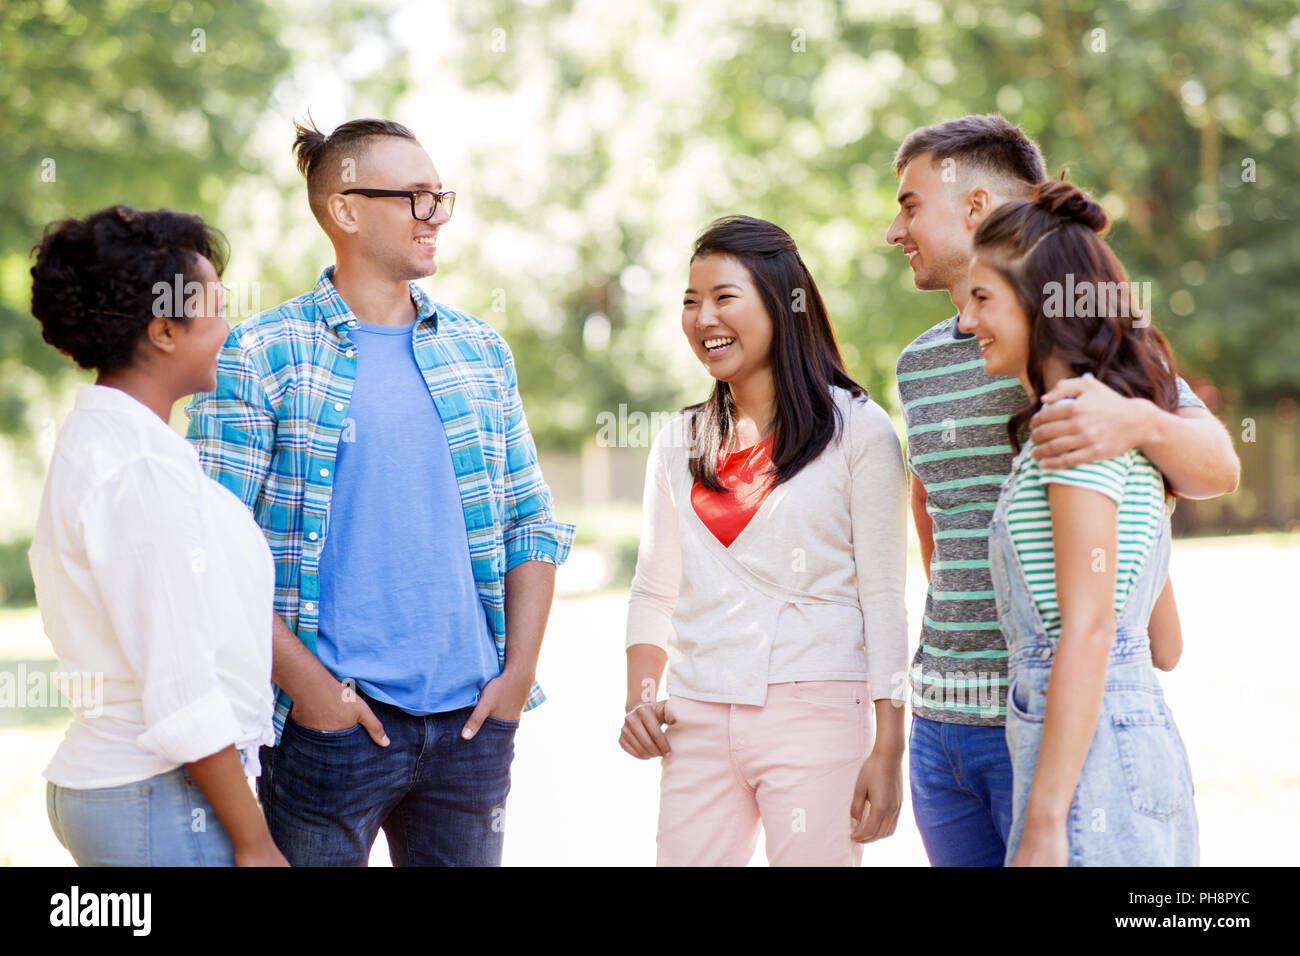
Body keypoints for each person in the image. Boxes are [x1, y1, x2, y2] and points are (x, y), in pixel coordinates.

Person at [185, 119, 574, 866]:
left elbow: (531, 521)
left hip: (470, 729)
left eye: (441, 196)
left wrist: (516, 677)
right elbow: (213, 554)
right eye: (416, 198)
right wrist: (314, 696)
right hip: (330, 733)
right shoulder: (261, 353)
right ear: (347, 209)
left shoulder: (481, 350)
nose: (438, 215)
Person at [887, 115, 1238, 866]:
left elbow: (1216, 468)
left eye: (910, 204)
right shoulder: (921, 368)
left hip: (1052, 724)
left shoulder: (1095, 374)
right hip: (946, 723)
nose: (895, 229)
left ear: (976, 206)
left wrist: (1137, 418)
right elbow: (935, 520)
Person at [620, 215, 909, 866]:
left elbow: (885, 598)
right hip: (694, 719)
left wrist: (888, 744)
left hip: (817, 711)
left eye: (724, 297)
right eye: (690, 302)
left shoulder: (859, 431)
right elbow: (653, 588)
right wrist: (641, 696)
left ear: (782, 304)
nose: (702, 318)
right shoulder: (678, 441)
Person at [28, 205, 286, 866]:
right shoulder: (139, 467)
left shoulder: (110, 439)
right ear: (165, 330)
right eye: (216, 310)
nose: (230, 328)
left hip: (131, 794)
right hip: (155, 798)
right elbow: (181, 691)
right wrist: (256, 844)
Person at [961, 179, 1198, 865]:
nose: (968, 321)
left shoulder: (1071, 426)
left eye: (984, 299)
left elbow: (1090, 631)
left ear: (1040, 304)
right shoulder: (1122, 424)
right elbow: (1164, 645)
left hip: (1090, 764)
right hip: (1137, 743)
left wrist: (1043, 820)